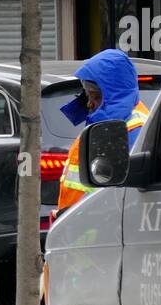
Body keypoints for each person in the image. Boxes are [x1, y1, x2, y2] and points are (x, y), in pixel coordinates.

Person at [57, 49, 149, 212]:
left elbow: (118, 191)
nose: (89, 103)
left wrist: (74, 214)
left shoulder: (133, 129)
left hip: (95, 224)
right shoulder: (109, 124)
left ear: (114, 95)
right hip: (80, 223)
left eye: (96, 96)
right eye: (87, 95)